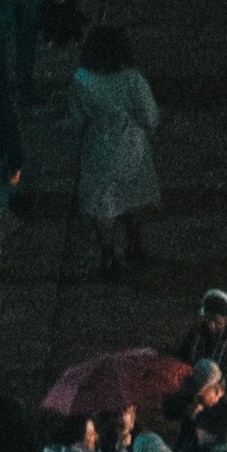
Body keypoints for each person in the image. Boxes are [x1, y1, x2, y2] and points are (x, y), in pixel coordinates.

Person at [70, 23, 161, 272]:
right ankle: (134, 243)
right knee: (131, 196)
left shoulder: (82, 79)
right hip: (131, 146)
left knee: (103, 204)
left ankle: (108, 254)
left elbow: (78, 118)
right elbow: (150, 116)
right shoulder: (132, 79)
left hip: (98, 147)